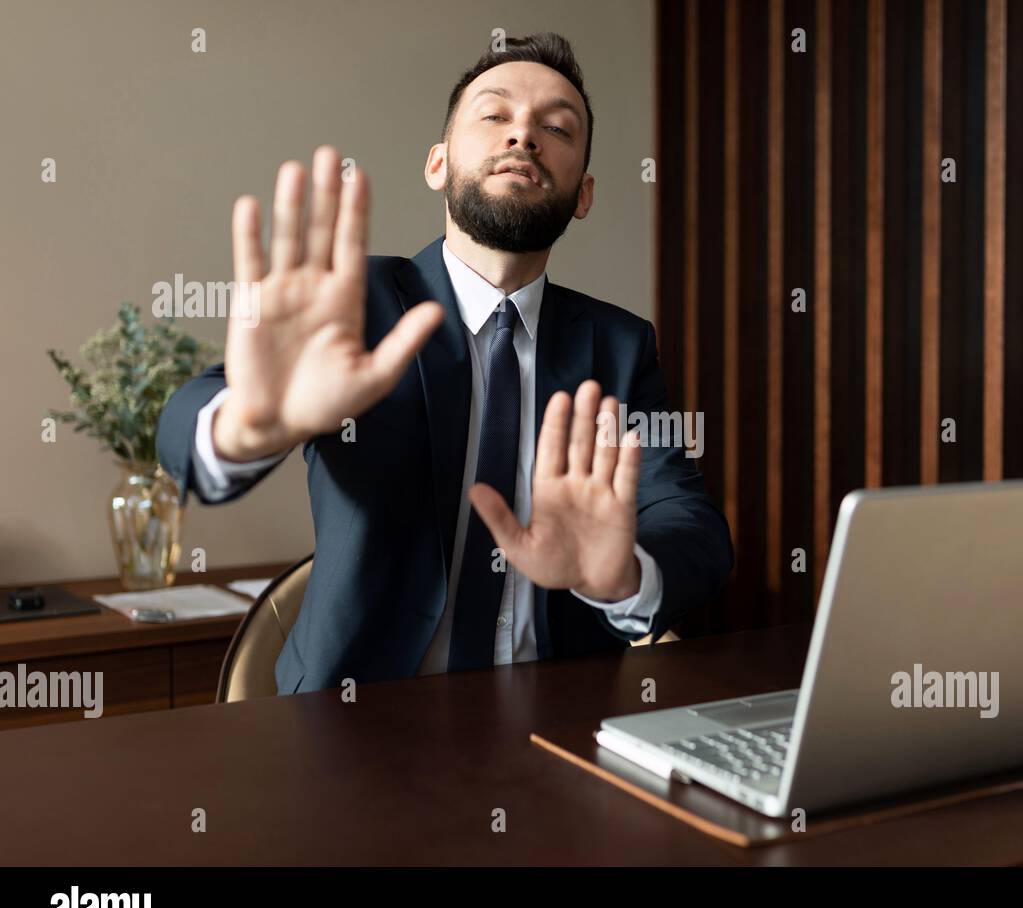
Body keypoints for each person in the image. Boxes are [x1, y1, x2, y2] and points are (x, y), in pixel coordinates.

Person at [157, 32, 733, 694]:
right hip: (351, 727)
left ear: (583, 194)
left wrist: (622, 576)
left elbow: (692, 526)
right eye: (495, 116)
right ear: (438, 164)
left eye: (557, 127)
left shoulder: (620, 344)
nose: (524, 136)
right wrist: (242, 429)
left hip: (556, 728)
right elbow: (183, 423)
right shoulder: (355, 300)